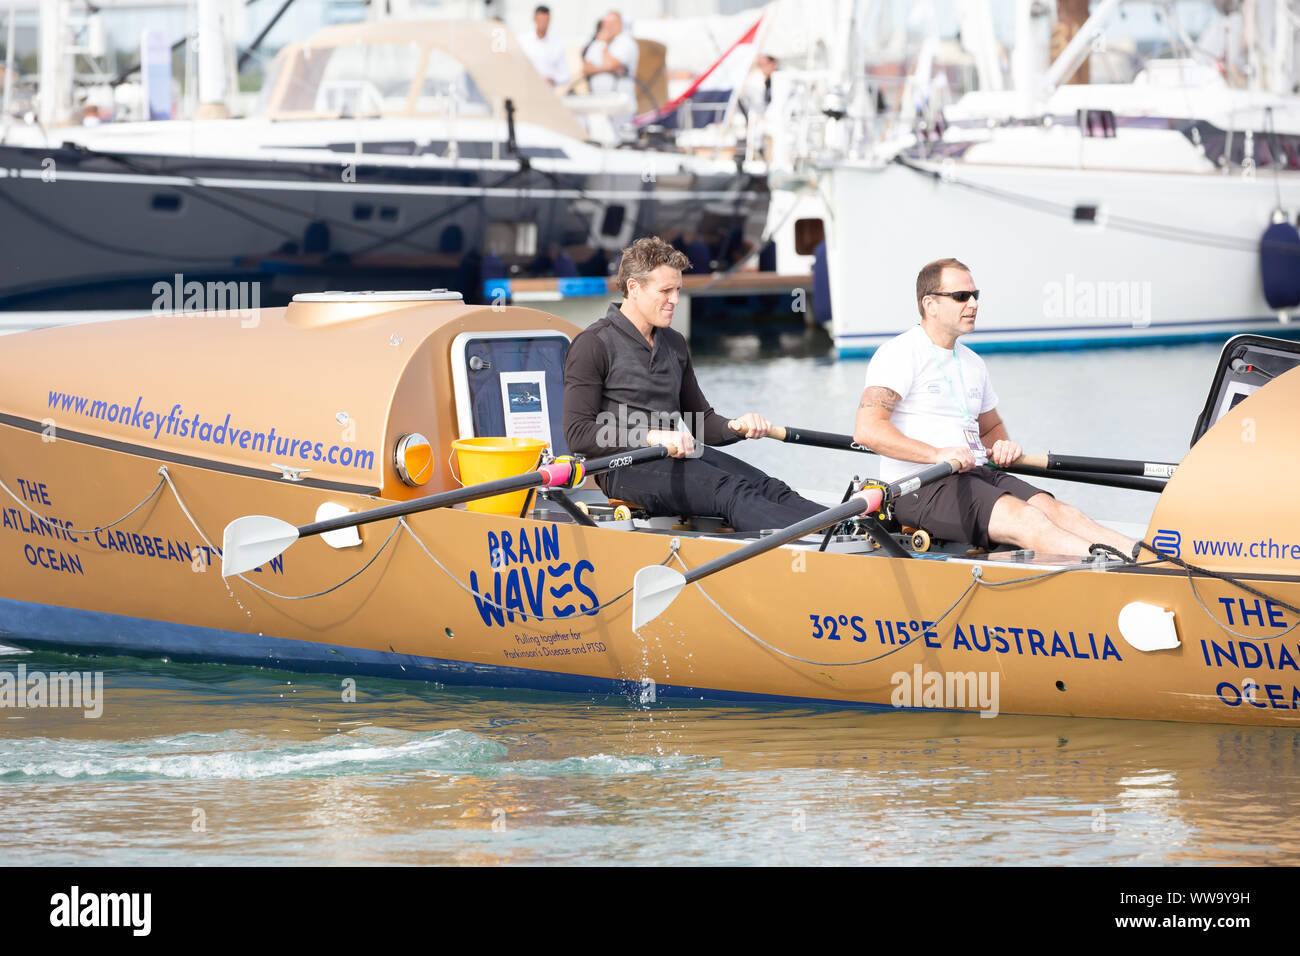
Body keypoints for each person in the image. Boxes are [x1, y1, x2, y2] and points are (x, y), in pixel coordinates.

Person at [853, 257, 1137, 557]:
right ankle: (1116, 570)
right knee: (1027, 519)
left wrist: (1001, 445)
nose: (973, 304)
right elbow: (868, 430)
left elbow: (990, 428)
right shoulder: (899, 353)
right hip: (920, 487)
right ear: (930, 304)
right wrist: (937, 454)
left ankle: (1153, 563)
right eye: (961, 297)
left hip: (976, 474)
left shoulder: (974, 363)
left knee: (1061, 513)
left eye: (976, 295)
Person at [564, 236, 825, 533]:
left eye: (677, 290)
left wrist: (736, 427)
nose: (675, 299)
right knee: (730, 490)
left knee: (770, 487)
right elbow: (578, 434)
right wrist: (652, 437)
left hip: (675, 458)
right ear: (634, 288)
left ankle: (847, 527)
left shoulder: (674, 343)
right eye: (666, 291)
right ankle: (818, 549)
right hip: (622, 468)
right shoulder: (593, 344)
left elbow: (701, 424)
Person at [582, 10, 639, 124]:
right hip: (598, 101)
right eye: (606, 23)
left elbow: (610, 63)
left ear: (620, 24)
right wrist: (608, 69)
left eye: (612, 23)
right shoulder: (597, 43)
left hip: (620, 103)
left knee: (621, 138)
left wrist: (605, 48)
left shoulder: (626, 43)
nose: (608, 27)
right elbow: (586, 68)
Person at [517, 5, 572, 89]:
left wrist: (553, 79)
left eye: (545, 21)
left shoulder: (557, 44)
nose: (543, 24)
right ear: (534, 19)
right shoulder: (522, 42)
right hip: (526, 90)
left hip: (547, 93)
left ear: (549, 20)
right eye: (540, 20)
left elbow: (566, 75)